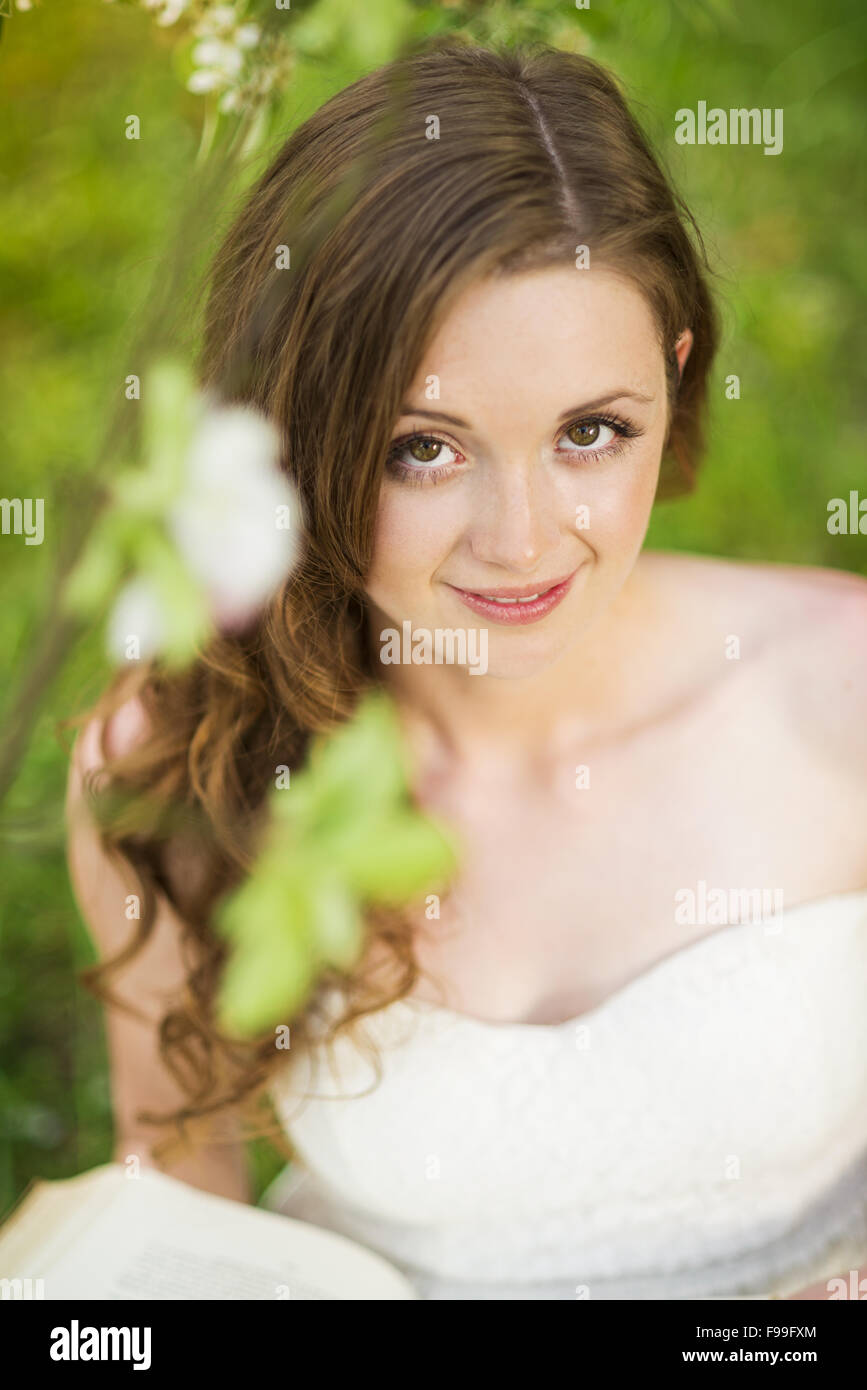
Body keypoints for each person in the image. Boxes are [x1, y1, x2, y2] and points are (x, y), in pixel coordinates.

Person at [66, 39, 867, 1300]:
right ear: (295, 434)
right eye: (422, 451)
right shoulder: (177, 759)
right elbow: (180, 1214)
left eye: (591, 433)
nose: (523, 540)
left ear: (674, 371)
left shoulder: (843, 690)